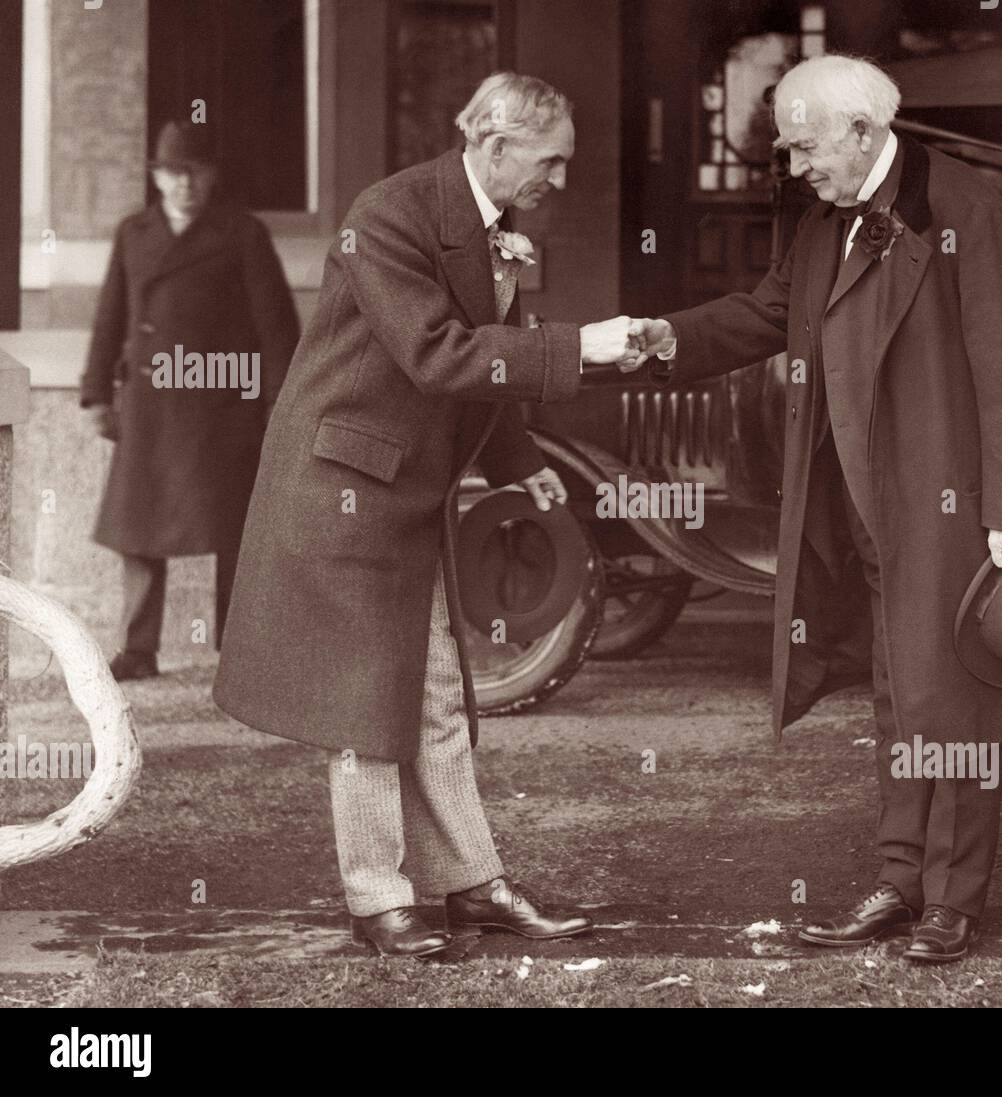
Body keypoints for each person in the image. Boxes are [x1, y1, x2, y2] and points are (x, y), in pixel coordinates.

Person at [623, 54, 1002, 962]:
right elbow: (767, 313)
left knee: (959, 697)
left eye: (804, 148)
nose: (795, 167)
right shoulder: (822, 221)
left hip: (949, 506)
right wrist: (666, 336)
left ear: (864, 134)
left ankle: (953, 899)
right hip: (860, 507)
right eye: (792, 151)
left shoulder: (959, 210)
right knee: (897, 694)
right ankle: (900, 877)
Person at [212, 73, 635, 957]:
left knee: (438, 690)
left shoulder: (494, 229)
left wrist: (519, 462)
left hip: (400, 489)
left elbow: (478, 372)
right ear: (495, 144)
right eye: (550, 161)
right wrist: (579, 345)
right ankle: (377, 902)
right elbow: (438, 356)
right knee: (366, 702)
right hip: (345, 487)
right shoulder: (393, 213)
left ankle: (469, 884)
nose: (559, 179)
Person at [80, 120, 300, 681]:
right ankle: (137, 648)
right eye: (173, 174)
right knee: (139, 527)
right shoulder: (133, 233)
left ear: (213, 177)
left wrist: (279, 407)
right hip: (151, 406)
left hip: (224, 403)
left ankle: (238, 646)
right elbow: (111, 316)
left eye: (195, 174)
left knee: (235, 528)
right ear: (156, 177)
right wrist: (95, 392)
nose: (184, 186)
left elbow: (277, 329)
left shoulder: (243, 234)